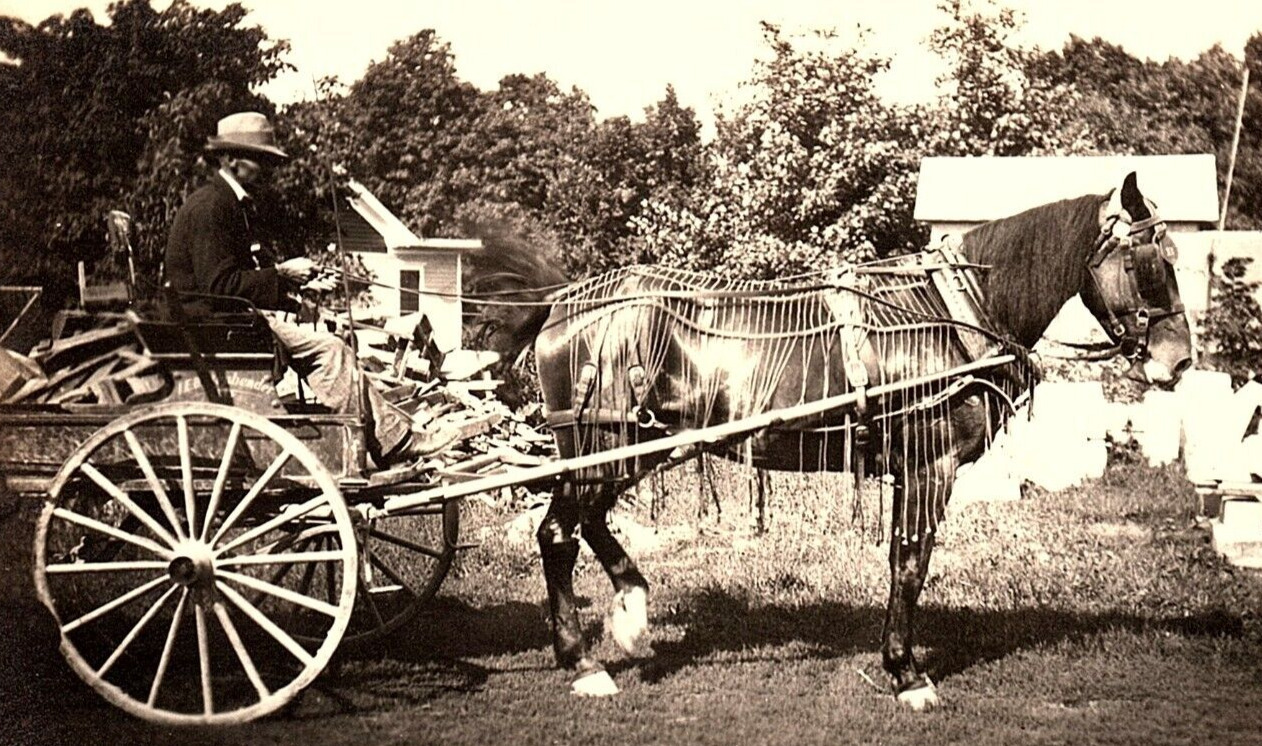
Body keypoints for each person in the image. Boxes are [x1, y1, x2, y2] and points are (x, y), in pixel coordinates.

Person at [164, 111, 420, 467]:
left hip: (228, 322)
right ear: (231, 159)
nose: (268, 170)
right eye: (262, 160)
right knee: (331, 351)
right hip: (217, 328)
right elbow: (219, 285)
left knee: (332, 348)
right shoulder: (213, 206)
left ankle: (390, 438)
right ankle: (387, 444)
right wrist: (282, 272)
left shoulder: (229, 203)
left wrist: (291, 295)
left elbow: (235, 279)